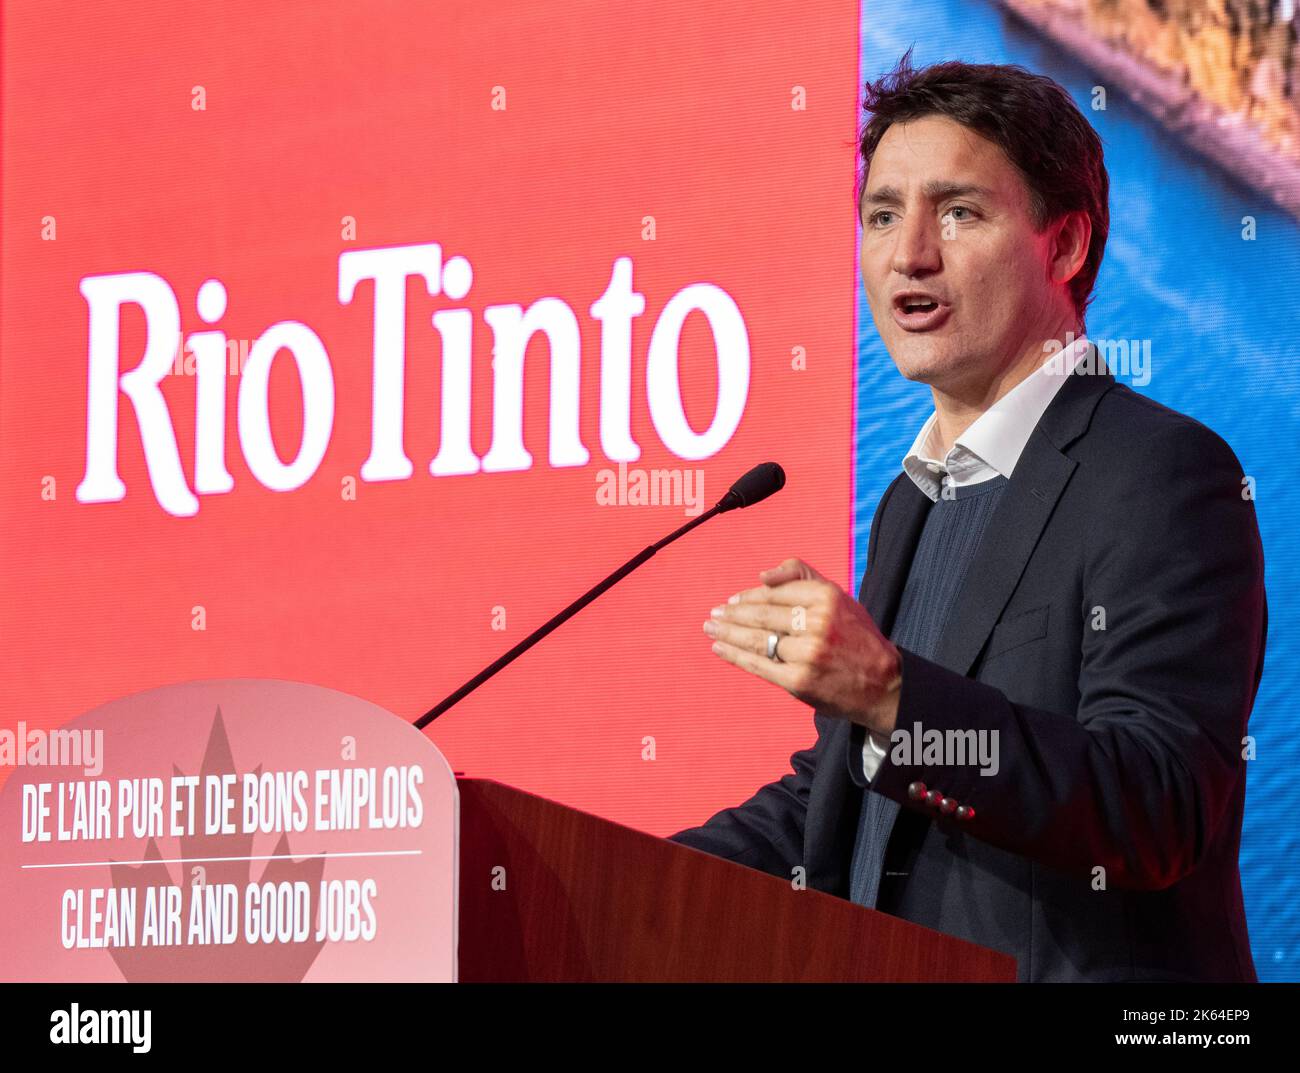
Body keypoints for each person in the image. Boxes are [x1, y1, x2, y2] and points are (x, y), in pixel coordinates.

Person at [668, 49, 1267, 982]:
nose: (909, 253)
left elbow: (1155, 808)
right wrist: (602, 871)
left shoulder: (1161, 472)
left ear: (1063, 247)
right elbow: (846, 800)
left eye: (958, 212)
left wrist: (893, 696)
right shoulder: (913, 498)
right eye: (881, 215)